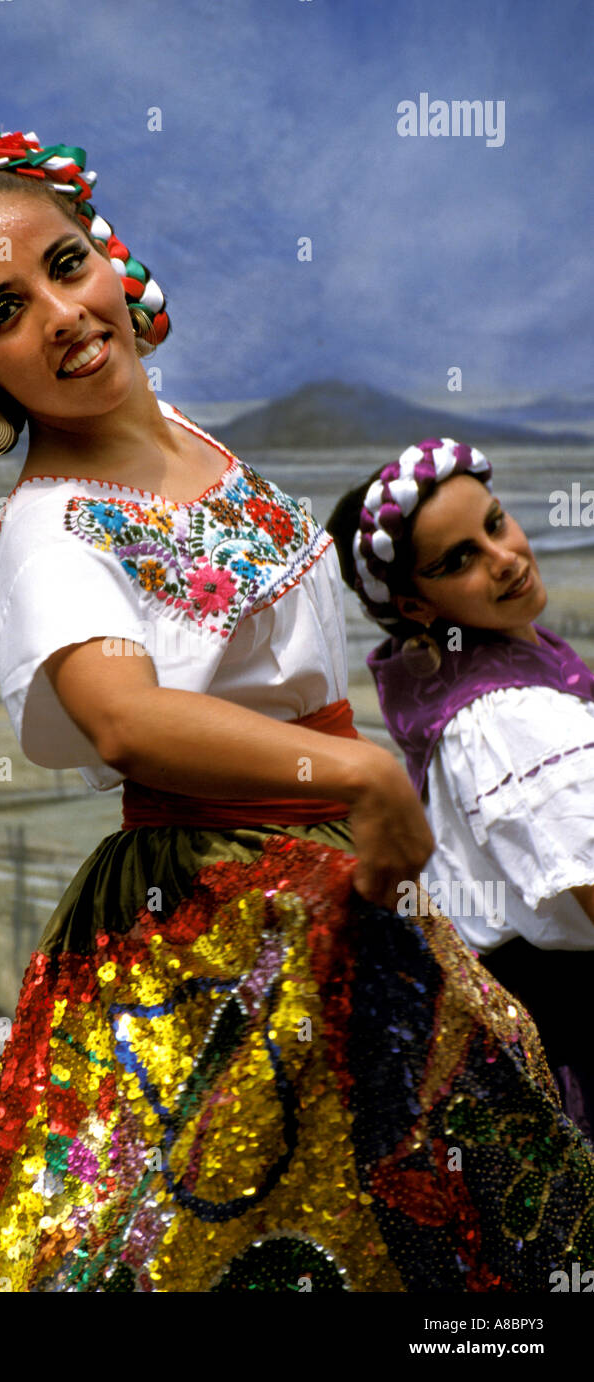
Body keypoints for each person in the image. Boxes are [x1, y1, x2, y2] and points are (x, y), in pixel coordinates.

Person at [0, 131, 594, 1293]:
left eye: (67, 263)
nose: (61, 313)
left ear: (114, 261)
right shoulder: (52, 532)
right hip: (222, 910)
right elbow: (127, 721)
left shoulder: (186, 439)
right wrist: (362, 777)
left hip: (328, 871)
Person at [327, 444, 594, 1134]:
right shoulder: (504, 718)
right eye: (460, 560)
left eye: (496, 525)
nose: (503, 558)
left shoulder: (507, 682)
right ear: (417, 604)